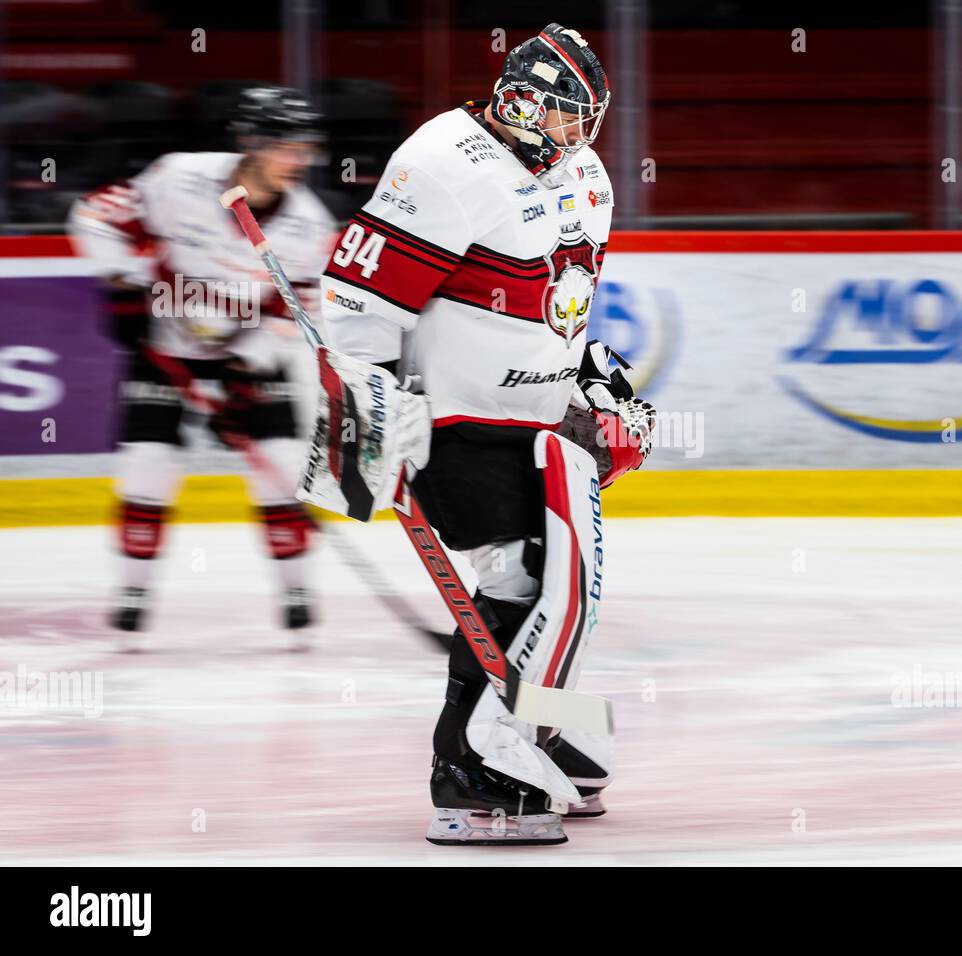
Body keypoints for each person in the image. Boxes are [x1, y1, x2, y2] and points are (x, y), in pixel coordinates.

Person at [317, 24, 653, 845]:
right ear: (522, 103)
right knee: (530, 574)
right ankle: (472, 768)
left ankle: (533, 721)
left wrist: (589, 377)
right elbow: (357, 312)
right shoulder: (441, 164)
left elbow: (559, 303)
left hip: (536, 417)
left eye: (591, 117)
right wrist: (364, 423)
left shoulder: (584, 171)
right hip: (456, 418)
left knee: (546, 581)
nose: (584, 135)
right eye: (570, 116)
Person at [68, 87, 336, 635]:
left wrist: (248, 369)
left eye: (305, 147)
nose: (298, 160)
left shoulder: (309, 224)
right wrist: (121, 284)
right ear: (251, 142)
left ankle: (297, 593)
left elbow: (296, 311)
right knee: (147, 468)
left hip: (245, 349)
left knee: (282, 472)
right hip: (166, 346)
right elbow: (93, 215)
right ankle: (132, 594)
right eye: (286, 146)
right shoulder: (177, 178)